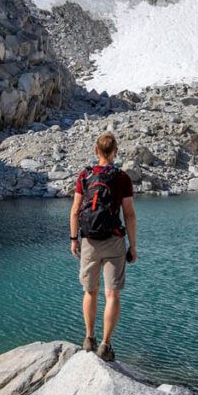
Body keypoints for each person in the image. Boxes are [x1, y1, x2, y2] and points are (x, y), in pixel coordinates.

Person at [70, 132, 137, 362]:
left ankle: (89, 339)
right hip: (114, 241)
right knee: (112, 294)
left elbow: (76, 210)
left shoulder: (85, 174)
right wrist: (133, 246)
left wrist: (73, 239)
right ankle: (106, 345)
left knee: (90, 291)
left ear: (96, 151)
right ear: (115, 151)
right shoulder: (122, 177)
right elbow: (129, 214)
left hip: (89, 241)